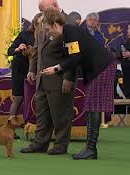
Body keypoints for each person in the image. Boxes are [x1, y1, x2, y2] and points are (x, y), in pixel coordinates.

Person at [41, 8, 116, 160]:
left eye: (48, 30)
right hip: (95, 69)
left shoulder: (70, 33)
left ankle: (91, 149)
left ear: (55, 25)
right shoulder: (68, 34)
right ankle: (90, 148)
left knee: (93, 107)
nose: (48, 34)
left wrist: (56, 68)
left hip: (102, 67)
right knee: (90, 107)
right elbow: (75, 59)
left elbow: (74, 58)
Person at [20, 0, 76, 155]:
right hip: (41, 78)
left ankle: (60, 145)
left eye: (44, 10)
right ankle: (40, 143)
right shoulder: (41, 22)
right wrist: (32, 69)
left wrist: (68, 77)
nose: (42, 14)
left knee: (61, 114)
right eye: (41, 11)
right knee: (42, 113)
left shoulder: (69, 24)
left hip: (59, 78)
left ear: (54, 5)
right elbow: (37, 49)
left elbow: (73, 56)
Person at [8, 13, 42, 139]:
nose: (40, 26)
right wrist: (18, 48)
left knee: (35, 99)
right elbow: (10, 51)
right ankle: (10, 129)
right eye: (38, 23)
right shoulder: (24, 35)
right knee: (19, 98)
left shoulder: (46, 36)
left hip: (35, 71)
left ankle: (35, 127)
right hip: (19, 70)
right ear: (34, 24)